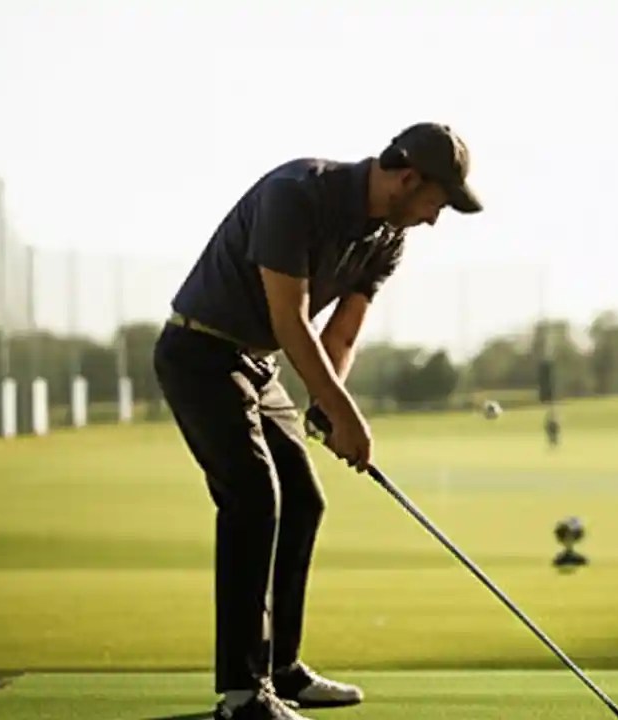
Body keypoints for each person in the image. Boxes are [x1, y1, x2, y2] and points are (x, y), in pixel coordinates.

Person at [153, 123, 482, 720]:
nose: (435, 219)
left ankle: (281, 669)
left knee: (303, 500)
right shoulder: (297, 193)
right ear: (408, 179)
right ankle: (243, 694)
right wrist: (346, 415)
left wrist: (326, 406)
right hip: (199, 354)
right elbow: (290, 318)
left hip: (257, 365)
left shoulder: (387, 238)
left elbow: (342, 334)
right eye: (437, 202)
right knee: (254, 498)